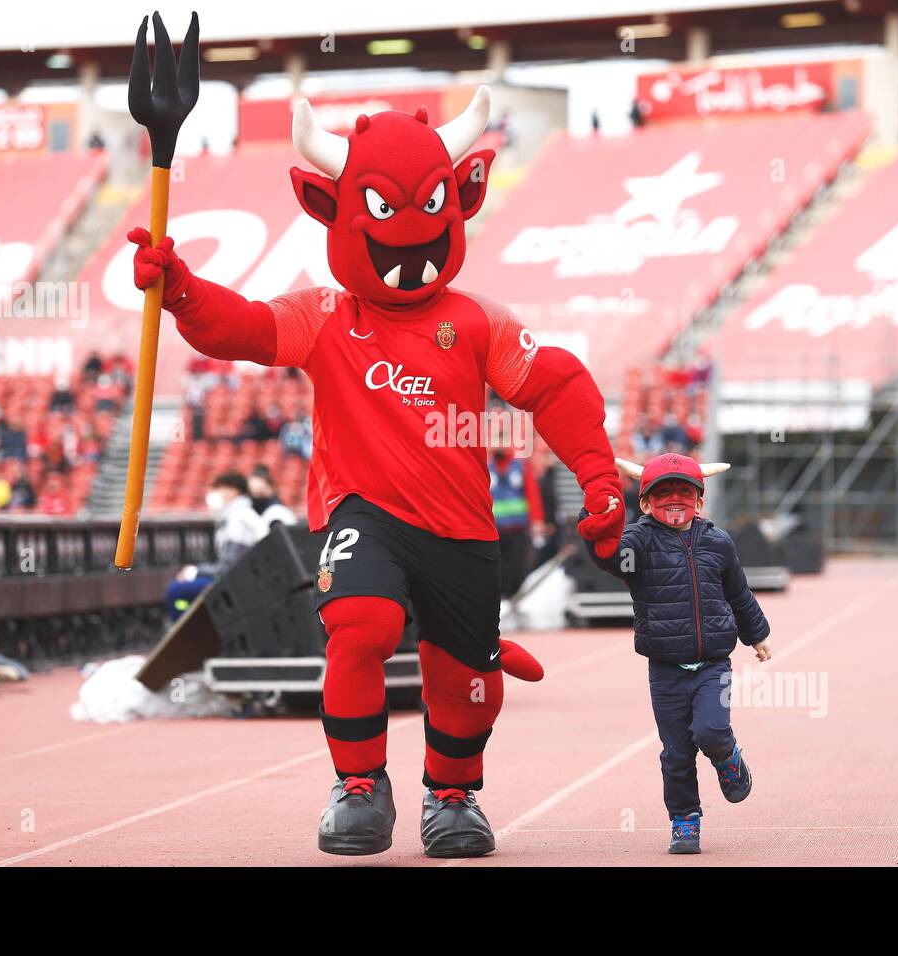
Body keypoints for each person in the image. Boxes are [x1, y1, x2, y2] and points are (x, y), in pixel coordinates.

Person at [128, 87, 623, 858]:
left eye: (430, 209)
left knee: (468, 683)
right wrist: (182, 289)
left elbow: (553, 386)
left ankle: (452, 798)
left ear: (462, 199)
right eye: (384, 215)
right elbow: (246, 329)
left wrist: (598, 477)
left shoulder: (478, 320)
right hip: (361, 514)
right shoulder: (324, 315)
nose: (408, 239)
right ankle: (358, 784)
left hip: (461, 528)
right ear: (330, 209)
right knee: (361, 626)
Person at [584, 453, 771, 855]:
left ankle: (728, 759)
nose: (674, 499)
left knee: (710, 731)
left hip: (712, 663)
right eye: (662, 492)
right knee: (677, 753)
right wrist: (595, 517)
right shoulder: (639, 541)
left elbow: (739, 594)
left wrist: (757, 634)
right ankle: (685, 820)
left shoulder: (718, 543)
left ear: (700, 501)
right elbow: (611, 559)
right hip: (666, 667)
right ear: (646, 503)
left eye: (684, 491)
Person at [165, 472, 270, 620]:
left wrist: (195, 572)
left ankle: (187, 632)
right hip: (238, 580)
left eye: (218, 488)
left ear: (234, 491)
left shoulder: (240, 519)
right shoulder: (233, 517)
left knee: (176, 591)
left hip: (242, 583)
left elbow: (230, 567)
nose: (214, 494)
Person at [488, 445, 544, 598]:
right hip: (494, 529)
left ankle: (512, 597)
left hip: (518, 528)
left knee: (517, 565)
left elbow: (532, 494)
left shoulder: (520, 467)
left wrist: (536, 521)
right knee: (496, 567)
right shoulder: (487, 467)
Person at [248, 464, 298, 528]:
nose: (256, 496)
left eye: (261, 491)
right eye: (253, 492)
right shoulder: (250, 510)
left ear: (272, 487)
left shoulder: (277, 511)